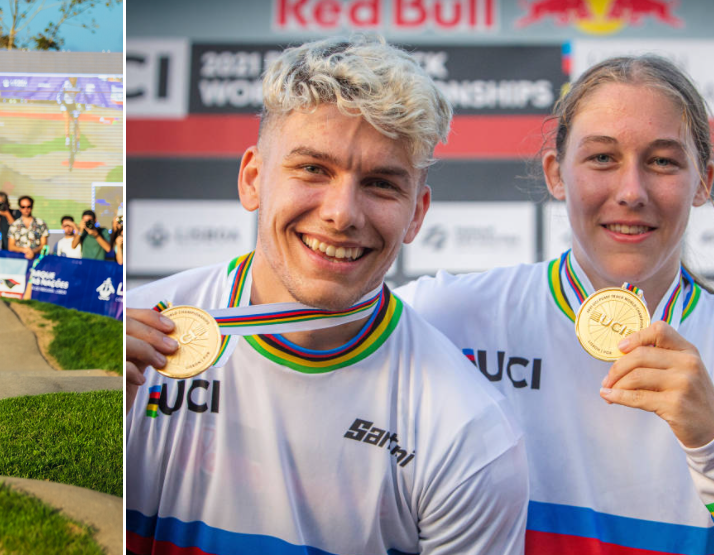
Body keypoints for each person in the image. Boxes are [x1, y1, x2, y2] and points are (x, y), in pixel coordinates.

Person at [124, 38, 527, 555]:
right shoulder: (128, 345)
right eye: (313, 168)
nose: (342, 213)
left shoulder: (470, 432)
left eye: (381, 183)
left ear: (417, 213)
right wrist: (87, 427)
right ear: (252, 179)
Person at [396, 55, 714, 554]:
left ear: (704, 182)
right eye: (603, 158)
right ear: (556, 175)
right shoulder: (450, 316)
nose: (631, 192)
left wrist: (710, 445)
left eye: (663, 161)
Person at [7, 195, 47, 260]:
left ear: (32, 207)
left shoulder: (41, 223)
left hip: (36, 260)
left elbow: (44, 245)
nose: (26, 209)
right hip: (19, 260)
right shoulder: (14, 225)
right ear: (20, 208)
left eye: (28, 206)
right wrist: (23, 250)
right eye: (23, 207)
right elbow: (11, 246)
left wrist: (33, 252)